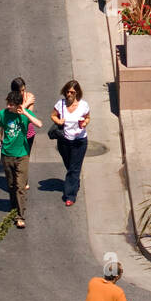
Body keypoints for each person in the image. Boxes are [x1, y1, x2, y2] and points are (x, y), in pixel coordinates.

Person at [0, 91, 39, 228]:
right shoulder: (2, 114)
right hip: (7, 154)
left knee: (20, 186)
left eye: (11, 104)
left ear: (18, 105)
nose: (8, 106)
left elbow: (39, 124)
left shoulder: (24, 114)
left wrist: (25, 113)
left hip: (22, 155)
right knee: (11, 185)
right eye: (7, 103)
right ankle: (14, 208)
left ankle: (20, 216)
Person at [51, 79, 90, 207]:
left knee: (74, 168)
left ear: (77, 92)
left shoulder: (83, 105)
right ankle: (74, 181)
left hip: (80, 141)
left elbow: (88, 117)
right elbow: (53, 115)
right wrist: (58, 121)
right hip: (64, 141)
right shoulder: (60, 104)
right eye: (67, 91)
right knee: (69, 165)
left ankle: (70, 196)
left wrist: (85, 123)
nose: (69, 94)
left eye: (72, 92)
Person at [11, 77, 37, 192]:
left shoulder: (29, 96)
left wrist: (22, 108)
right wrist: (26, 104)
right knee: (14, 158)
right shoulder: (12, 99)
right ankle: (16, 179)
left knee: (25, 158)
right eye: (20, 90)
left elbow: (29, 114)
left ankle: (23, 181)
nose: (22, 93)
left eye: (23, 90)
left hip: (28, 133)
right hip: (15, 132)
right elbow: (14, 114)